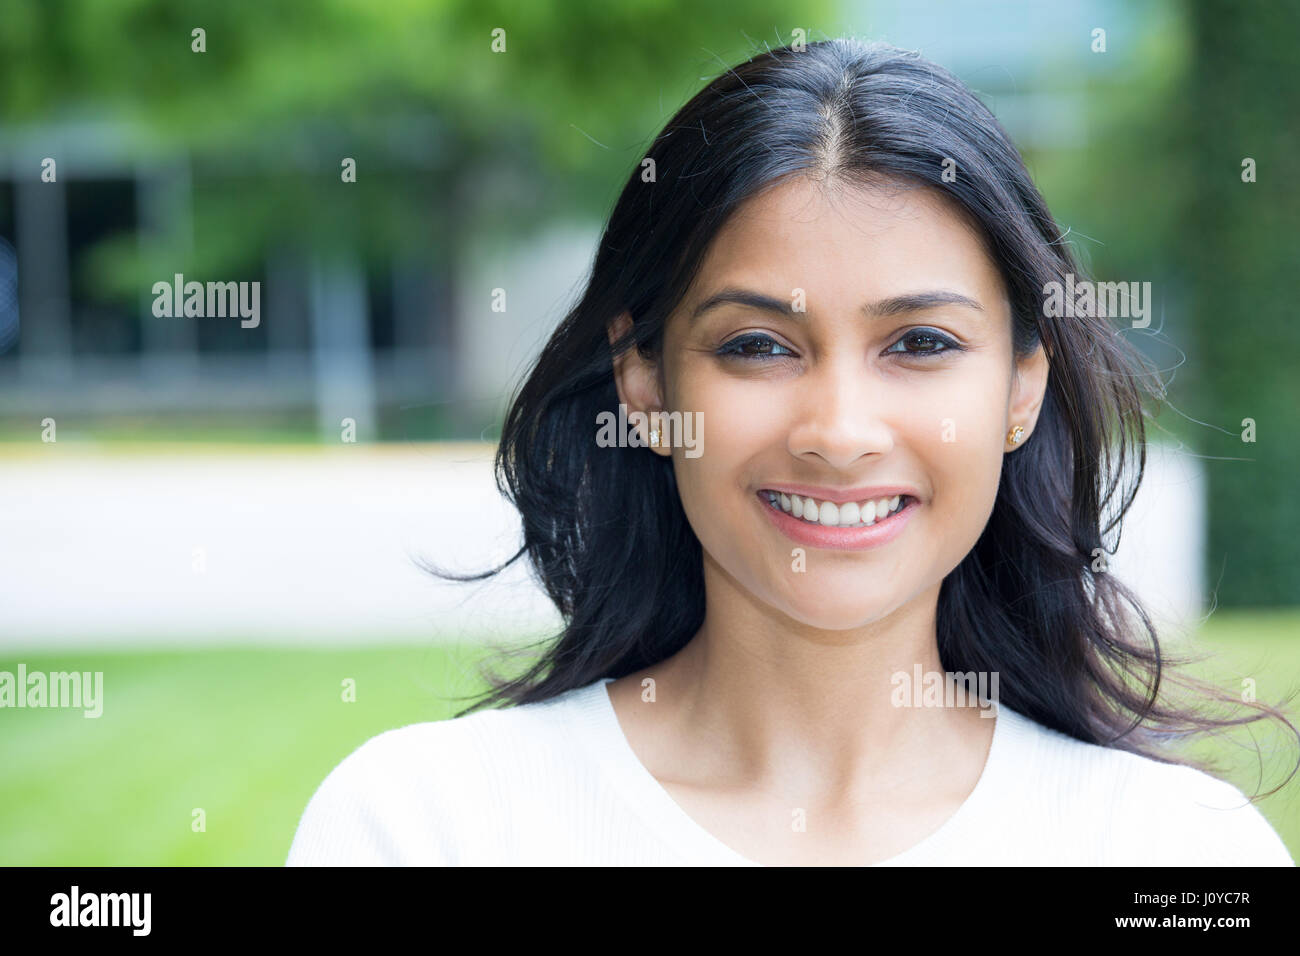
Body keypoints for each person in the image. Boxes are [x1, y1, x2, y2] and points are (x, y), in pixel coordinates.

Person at [287, 37, 1296, 866]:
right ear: (644, 382)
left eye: (920, 343)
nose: (839, 432)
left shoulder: (1174, 852)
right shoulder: (424, 827)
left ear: (1019, 389)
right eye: (757, 345)